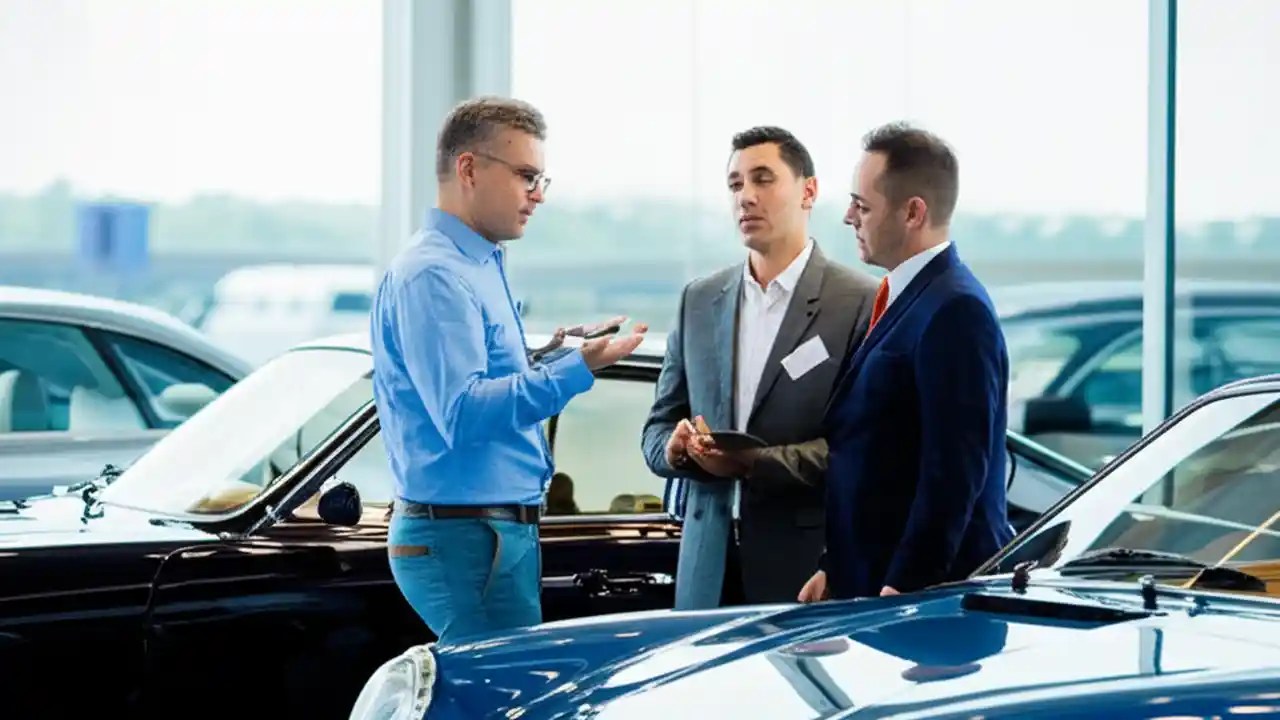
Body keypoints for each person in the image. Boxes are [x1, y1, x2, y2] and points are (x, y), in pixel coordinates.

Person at [370, 96, 646, 644]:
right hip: (466, 535)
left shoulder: (475, 265)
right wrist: (576, 370)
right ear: (469, 168)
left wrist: (554, 353)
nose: (537, 195)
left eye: (542, 178)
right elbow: (464, 413)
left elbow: (481, 382)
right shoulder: (436, 276)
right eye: (525, 176)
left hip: (485, 532)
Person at [642, 126, 879, 609]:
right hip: (704, 569)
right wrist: (673, 450)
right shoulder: (700, 300)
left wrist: (752, 465)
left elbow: (863, 451)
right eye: (735, 184)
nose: (745, 197)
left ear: (808, 190)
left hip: (804, 569)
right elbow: (657, 426)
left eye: (763, 179)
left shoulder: (859, 302)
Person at [799, 122, 1014, 603]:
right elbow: (877, 451)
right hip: (870, 584)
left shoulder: (956, 309)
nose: (848, 216)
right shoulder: (906, 296)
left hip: (919, 603)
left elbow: (954, 471)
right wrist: (835, 568)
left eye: (863, 204)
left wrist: (907, 587)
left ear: (913, 212)